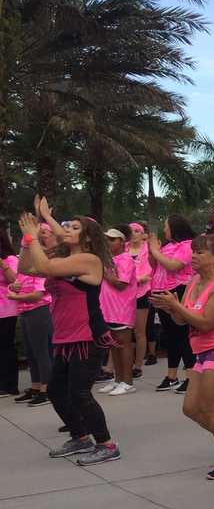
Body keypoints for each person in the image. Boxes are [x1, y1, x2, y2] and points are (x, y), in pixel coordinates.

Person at [18, 200, 122, 466]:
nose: (66, 230)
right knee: (55, 390)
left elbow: (46, 269)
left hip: (88, 336)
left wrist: (33, 235)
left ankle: (107, 445)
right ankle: (80, 437)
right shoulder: (64, 258)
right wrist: (26, 241)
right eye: (68, 226)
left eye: (75, 228)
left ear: (86, 237)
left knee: (79, 393)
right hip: (66, 337)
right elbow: (25, 268)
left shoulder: (90, 260)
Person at [150, 233, 214, 480]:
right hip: (201, 349)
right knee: (191, 408)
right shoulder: (194, 280)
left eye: (200, 252)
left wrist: (176, 307)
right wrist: (172, 309)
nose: (193, 256)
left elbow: (206, 323)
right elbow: (183, 320)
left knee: (209, 408)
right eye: (193, 251)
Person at [148, 215, 196, 392]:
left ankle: (191, 377)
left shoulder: (187, 245)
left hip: (178, 290)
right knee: (171, 335)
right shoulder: (167, 246)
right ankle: (171, 376)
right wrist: (152, 250)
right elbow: (155, 265)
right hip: (161, 290)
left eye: (166, 227)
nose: (164, 230)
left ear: (175, 228)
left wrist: (155, 251)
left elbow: (173, 266)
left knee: (182, 334)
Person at [7, 223, 54, 406]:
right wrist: (15, 287)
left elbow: (39, 294)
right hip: (26, 311)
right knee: (32, 352)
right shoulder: (26, 263)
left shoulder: (43, 263)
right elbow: (18, 282)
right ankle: (36, 386)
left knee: (42, 351)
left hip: (39, 310)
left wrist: (16, 296)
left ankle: (47, 389)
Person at [98, 228, 137, 395]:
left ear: (122, 242)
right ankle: (118, 380)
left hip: (122, 308)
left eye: (112, 239)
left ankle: (128, 382)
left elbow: (121, 284)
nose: (108, 242)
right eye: (107, 239)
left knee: (124, 344)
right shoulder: (109, 259)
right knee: (113, 344)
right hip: (108, 309)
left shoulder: (126, 259)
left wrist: (106, 275)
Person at [126, 222, 153, 380]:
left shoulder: (148, 250)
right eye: (131, 231)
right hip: (123, 293)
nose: (134, 233)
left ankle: (138, 366)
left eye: (137, 231)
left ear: (143, 235)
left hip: (141, 293)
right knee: (122, 331)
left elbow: (149, 272)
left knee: (139, 331)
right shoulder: (123, 248)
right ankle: (116, 365)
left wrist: (137, 279)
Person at [0, 230, 21, 397]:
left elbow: (16, 281)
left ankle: (10, 385)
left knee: (5, 346)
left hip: (6, 309)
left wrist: (2, 264)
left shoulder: (11, 259)